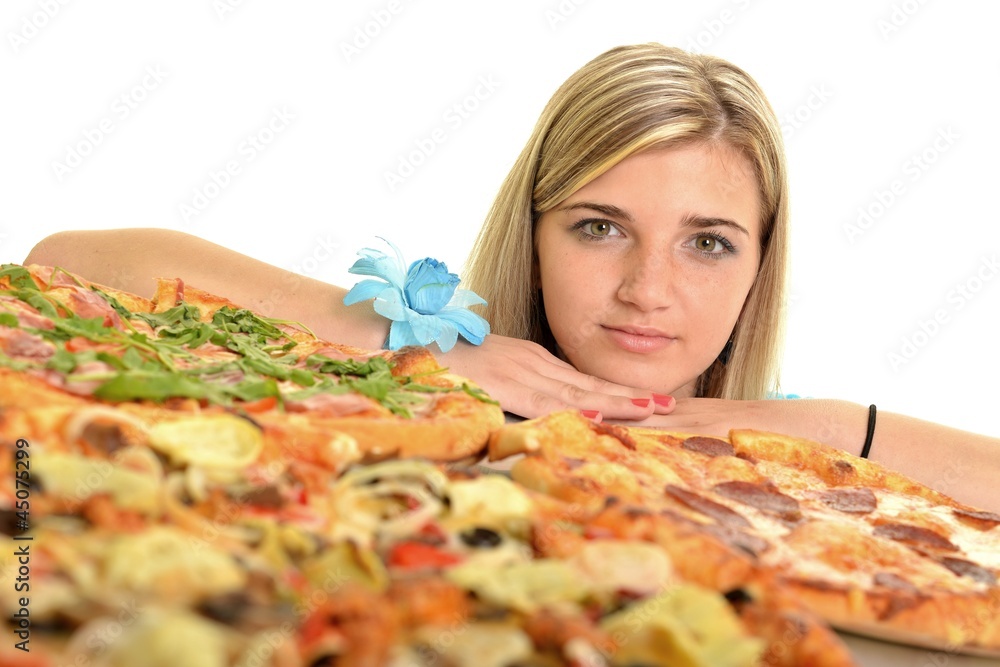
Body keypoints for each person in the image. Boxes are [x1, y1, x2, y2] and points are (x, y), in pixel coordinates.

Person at [25, 43, 999, 511]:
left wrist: (809, 427)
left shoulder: (807, 469)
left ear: (761, 263)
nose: (646, 290)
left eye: (707, 242)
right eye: (598, 226)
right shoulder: (427, 384)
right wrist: (416, 342)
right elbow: (71, 263)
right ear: (531, 231)